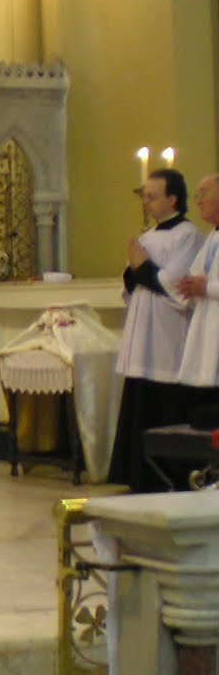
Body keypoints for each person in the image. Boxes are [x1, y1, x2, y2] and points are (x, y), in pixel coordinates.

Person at [106, 168, 201, 490]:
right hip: (142, 329)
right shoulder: (147, 236)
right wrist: (136, 271)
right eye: (144, 196)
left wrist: (143, 268)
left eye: (152, 196)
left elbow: (177, 285)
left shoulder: (188, 235)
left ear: (172, 199)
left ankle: (170, 477)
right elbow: (131, 282)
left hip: (167, 334)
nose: (145, 202)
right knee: (138, 401)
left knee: (164, 402)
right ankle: (136, 474)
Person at [176, 175, 219, 390]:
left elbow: (206, 284)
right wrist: (189, 286)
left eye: (204, 194)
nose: (198, 201)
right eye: (196, 195)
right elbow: (197, 273)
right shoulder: (212, 235)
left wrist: (206, 288)